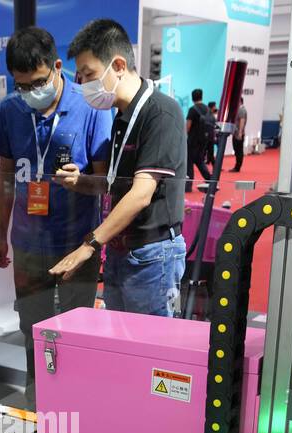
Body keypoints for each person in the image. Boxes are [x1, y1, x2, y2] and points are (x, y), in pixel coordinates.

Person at [0, 26, 112, 396]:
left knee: (79, 329)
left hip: (77, 242)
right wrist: (1, 235)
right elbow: (6, 177)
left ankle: (82, 396)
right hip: (28, 243)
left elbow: (105, 180)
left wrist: (83, 183)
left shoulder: (90, 105)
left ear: (58, 67)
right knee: (32, 326)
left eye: (39, 82)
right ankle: (37, 397)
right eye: (22, 85)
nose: (30, 92)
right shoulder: (11, 110)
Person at [50, 18, 187, 319]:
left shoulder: (161, 113)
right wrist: (81, 182)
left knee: (152, 351)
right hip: (120, 251)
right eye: (81, 77)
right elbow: (115, 184)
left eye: (90, 75)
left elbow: (140, 194)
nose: (84, 85)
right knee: (121, 348)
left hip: (152, 255)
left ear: (119, 65)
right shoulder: (120, 118)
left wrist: (89, 245)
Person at [185, 88, 214, 193]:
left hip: (192, 141)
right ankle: (211, 181)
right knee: (200, 161)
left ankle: (187, 186)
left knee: (189, 163)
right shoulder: (207, 109)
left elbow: (188, 126)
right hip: (204, 140)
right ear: (201, 96)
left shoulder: (193, 109)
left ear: (192, 98)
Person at [230, 99, 248, 172]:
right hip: (236, 133)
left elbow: (242, 121)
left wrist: (240, 133)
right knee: (237, 150)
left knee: (238, 150)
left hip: (238, 133)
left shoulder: (241, 110)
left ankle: (237, 167)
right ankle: (237, 166)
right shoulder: (240, 110)